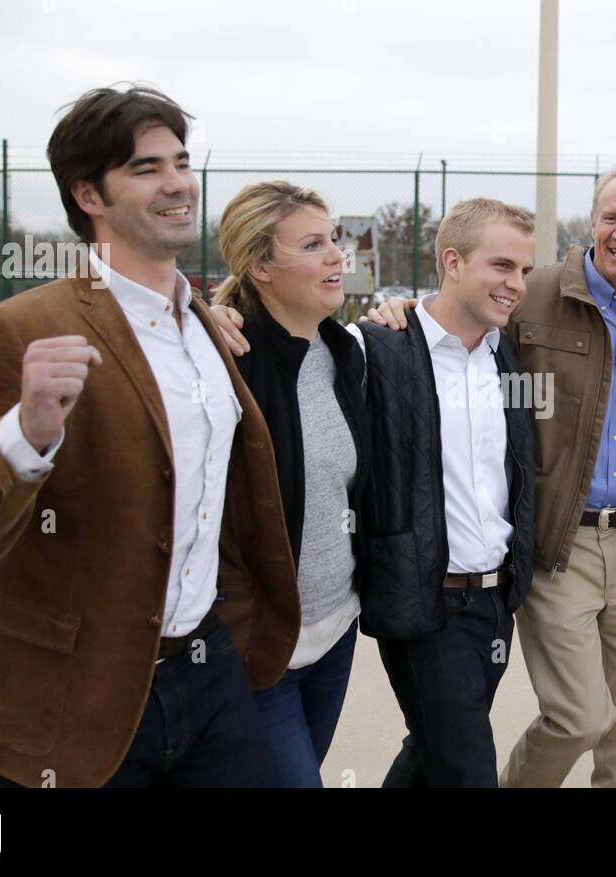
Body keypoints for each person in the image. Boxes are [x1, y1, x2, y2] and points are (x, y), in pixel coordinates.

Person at [0, 85, 298, 788]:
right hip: (70, 695)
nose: (178, 182)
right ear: (89, 195)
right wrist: (24, 436)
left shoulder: (206, 325)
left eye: (181, 161)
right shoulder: (18, 331)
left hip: (208, 670)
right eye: (146, 168)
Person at [363, 162, 616, 788]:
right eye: (611, 217)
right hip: (556, 539)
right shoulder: (533, 294)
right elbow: (453, 318)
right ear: (592, 220)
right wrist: (398, 310)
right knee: (578, 717)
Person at [217, 198, 538, 786]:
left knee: (432, 748)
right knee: (467, 767)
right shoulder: (372, 347)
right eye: (502, 266)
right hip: (422, 600)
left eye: (524, 271)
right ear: (453, 262)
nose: (515, 284)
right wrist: (211, 316)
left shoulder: (506, 356)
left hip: (494, 601)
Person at [210, 182, 370, 787]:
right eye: (313, 244)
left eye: (335, 240)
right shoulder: (225, 359)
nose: (337, 256)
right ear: (259, 265)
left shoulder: (342, 353)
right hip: (258, 648)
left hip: (334, 635)